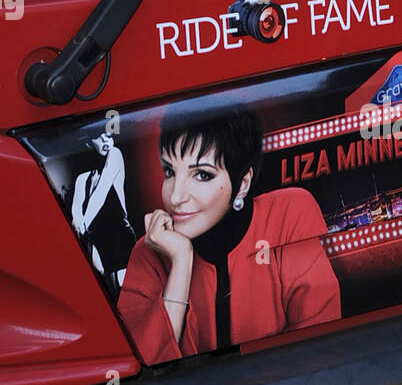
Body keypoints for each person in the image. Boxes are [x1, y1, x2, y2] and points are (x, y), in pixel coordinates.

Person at [118, 107, 341, 365]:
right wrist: (180, 263)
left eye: (202, 175)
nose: (176, 197)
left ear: (243, 184)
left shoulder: (288, 215)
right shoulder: (149, 253)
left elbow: (320, 348)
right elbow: (138, 372)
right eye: (170, 172)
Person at [71, 132, 136, 293]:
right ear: (89, 143)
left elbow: (100, 194)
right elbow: (76, 216)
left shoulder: (115, 155)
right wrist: (85, 238)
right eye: (99, 138)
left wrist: (84, 228)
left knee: (126, 295)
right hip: (95, 241)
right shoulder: (82, 179)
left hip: (118, 237)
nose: (105, 141)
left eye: (108, 136)